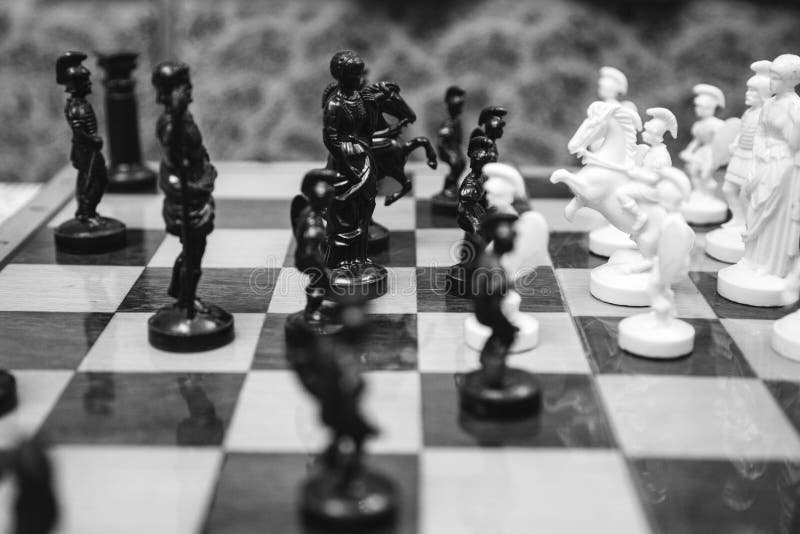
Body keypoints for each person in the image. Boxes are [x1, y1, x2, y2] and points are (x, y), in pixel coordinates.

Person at [152, 61, 217, 313]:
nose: (189, 89)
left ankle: (182, 292)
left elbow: (195, 153)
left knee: (193, 250)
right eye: (182, 85)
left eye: (187, 83)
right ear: (168, 93)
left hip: (195, 192)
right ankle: (186, 299)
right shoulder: (170, 124)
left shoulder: (182, 118)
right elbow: (176, 162)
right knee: (193, 252)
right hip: (186, 196)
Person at [741, 54, 800, 278]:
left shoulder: (795, 107)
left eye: (776, 78)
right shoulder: (768, 104)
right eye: (771, 77)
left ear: (791, 80)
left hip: (783, 167)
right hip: (764, 163)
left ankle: (771, 265)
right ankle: (752, 258)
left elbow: (795, 144)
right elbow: (760, 132)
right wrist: (762, 152)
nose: (771, 82)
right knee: (755, 209)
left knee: (775, 217)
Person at [725, 61, 773, 229]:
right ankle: (737, 218)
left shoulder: (766, 114)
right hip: (739, 155)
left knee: (746, 193)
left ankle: (748, 222)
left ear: (763, 94)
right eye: (748, 89)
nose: (748, 93)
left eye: (753, 90)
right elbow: (741, 130)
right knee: (728, 188)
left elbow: (767, 138)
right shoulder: (748, 112)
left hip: (753, 159)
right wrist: (735, 142)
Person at [436, 85, 467, 200]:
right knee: (457, 165)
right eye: (458, 107)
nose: (461, 109)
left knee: (461, 164)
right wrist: (449, 153)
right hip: (448, 150)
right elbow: (441, 142)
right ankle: (448, 187)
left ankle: (452, 186)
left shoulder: (456, 121)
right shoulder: (448, 123)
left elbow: (458, 139)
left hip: (455, 148)